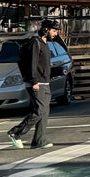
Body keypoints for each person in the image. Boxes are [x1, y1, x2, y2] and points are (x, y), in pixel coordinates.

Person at [8, 21, 58, 150]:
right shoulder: (35, 42)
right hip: (37, 83)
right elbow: (32, 63)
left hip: (45, 82)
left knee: (44, 113)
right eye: (54, 30)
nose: (55, 33)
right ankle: (16, 132)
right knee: (40, 110)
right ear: (46, 30)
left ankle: (39, 140)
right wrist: (34, 81)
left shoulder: (45, 44)